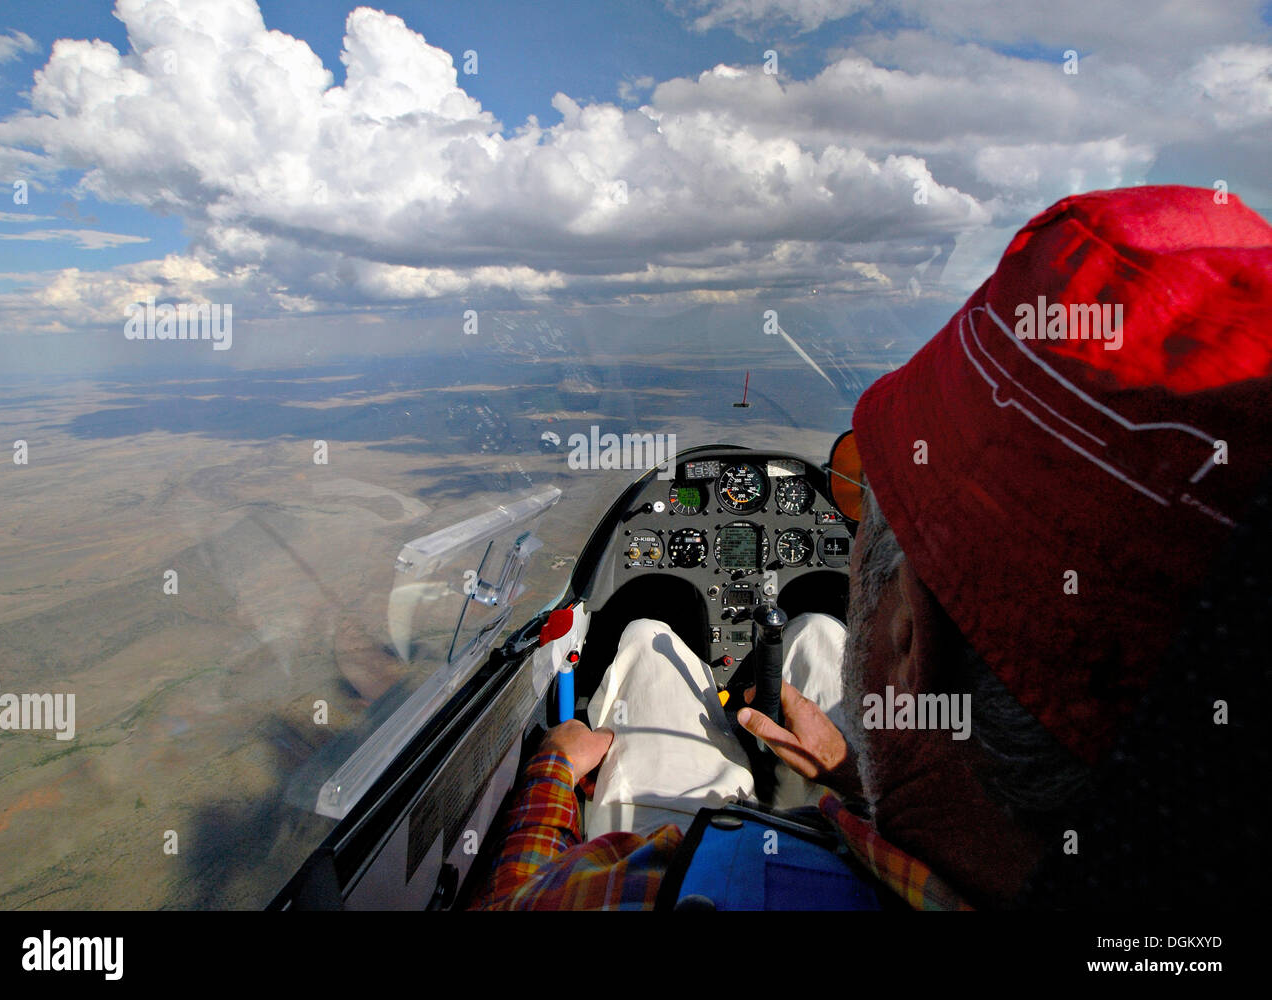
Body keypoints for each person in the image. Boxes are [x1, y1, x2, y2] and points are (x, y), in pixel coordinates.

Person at [469, 185, 1272, 910]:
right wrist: (860, 777)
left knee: (649, 642)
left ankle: (692, 698)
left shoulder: (656, 893)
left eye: (877, 549)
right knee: (820, 637)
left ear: (912, 633)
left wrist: (550, 773)